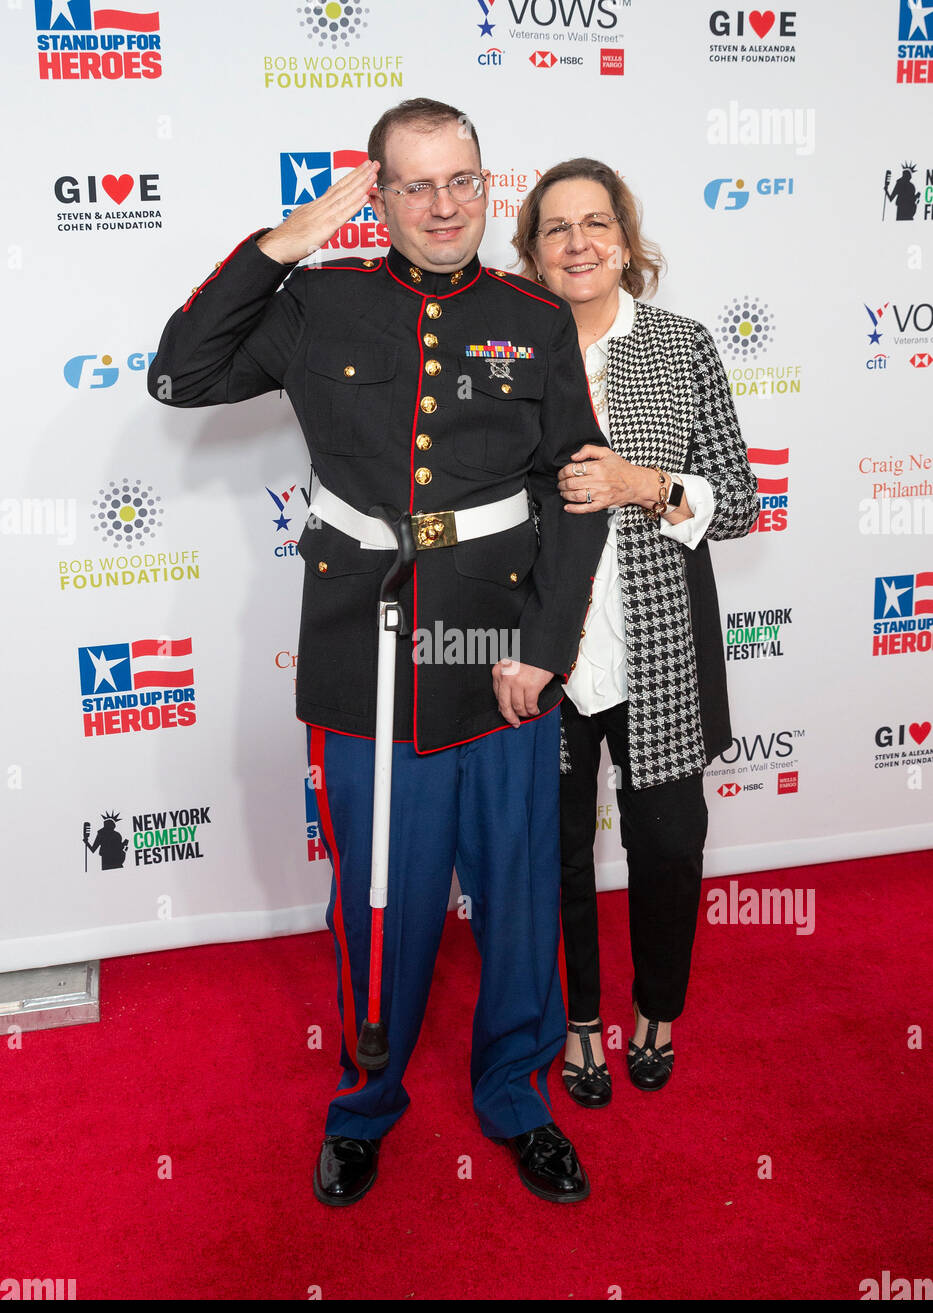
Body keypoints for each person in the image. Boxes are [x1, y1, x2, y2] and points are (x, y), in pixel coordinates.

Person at [148, 102, 608, 1204]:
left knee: (518, 895)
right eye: (417, 185)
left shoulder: (532, 317)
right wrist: (281, 246)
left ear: (487, 186)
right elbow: (179, 375)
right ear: (380, 195)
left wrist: (545, 648)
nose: (445, 207)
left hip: (498, 650)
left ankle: (515, 1097)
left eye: (463, 181)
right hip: (365, 647)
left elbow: (576, 492)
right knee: (377, 901)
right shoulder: (318, 300)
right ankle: (365, 1101)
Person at [512, 158, 759, 1106]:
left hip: (659, 653)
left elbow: (738, 501)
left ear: (624, 239)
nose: (577, 243)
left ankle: (656, 1012)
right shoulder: (508, 354)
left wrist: (643, 485)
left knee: (666, 846)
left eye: (596, 223)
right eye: (556, 228)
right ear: (532, 251)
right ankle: (577, 1021)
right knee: (555, 856)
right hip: (543, 654)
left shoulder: (681, 345)